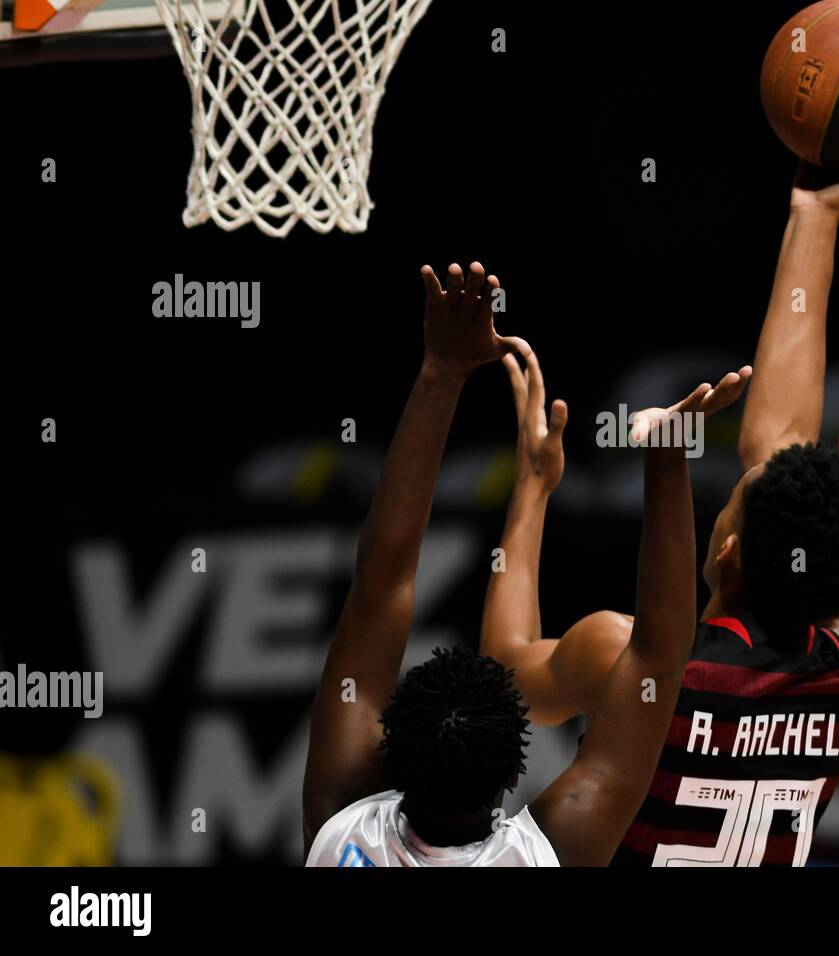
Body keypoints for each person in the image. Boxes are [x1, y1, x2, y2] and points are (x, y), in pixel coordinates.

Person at [479, 155, 839, 865]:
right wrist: (816, 219)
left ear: (727, 551)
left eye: (735, 501)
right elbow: (782, 448)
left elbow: (504, 677)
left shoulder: (622, 654)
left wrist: (531, 488)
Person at [302, 260, 749, 865]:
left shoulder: (340, 825)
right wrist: (666, 460)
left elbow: (381, 586)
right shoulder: (547, 852)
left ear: (390, 750)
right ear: (515, 773)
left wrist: (440, 373)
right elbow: (660, 658)